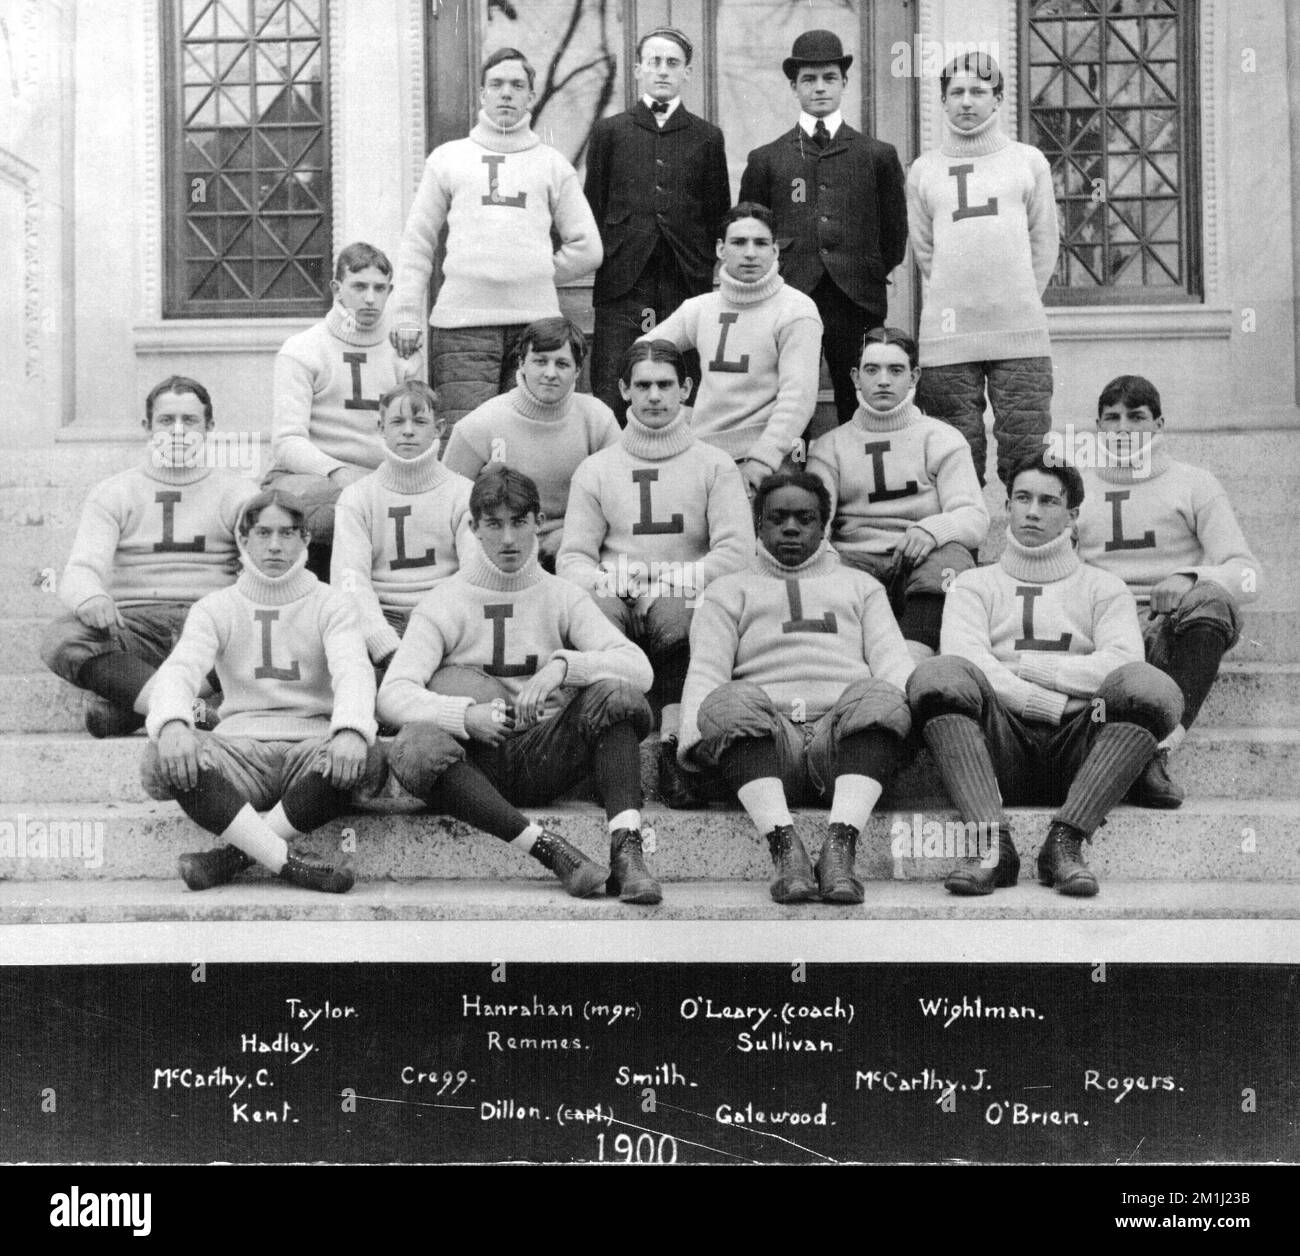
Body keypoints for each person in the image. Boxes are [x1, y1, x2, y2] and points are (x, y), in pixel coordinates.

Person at [906, 452, 1184, 898]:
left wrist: (1035, 669)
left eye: (1049, 502)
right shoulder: (973, 585)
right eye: (1022, 498)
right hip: (1000, 746)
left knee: (1149, 686)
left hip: (1081, 748)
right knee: (938, 675)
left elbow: (1121, 661)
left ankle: (1065, 843)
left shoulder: (1103, 587)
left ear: (1072, 515)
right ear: (1007, 506)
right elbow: (967, 659)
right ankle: (992, 846)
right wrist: (1048, 701)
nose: (1033, 511)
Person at [378, 467, 661, 904]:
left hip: (546, 752)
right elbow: (392, 693)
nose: (508, 539)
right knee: (413, 745)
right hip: (473, 764)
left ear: (539, 522)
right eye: (494, 524)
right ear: (473, 529)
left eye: (519, 522)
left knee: (617, 696)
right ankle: (550, 849)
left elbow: (640, 670)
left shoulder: (562, 594)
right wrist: (462, 716)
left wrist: (565, 667)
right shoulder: (444, 600)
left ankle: (627, 853)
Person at [677, 470, 914, 905]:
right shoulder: (727, 590)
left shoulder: (862, 587)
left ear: (823, 525)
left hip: (841, 742)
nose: (790, 528)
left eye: (804, 518)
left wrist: (901, 724)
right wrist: (695, 744)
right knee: (727, 701)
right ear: (759, 525)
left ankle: (839, 851)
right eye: (777, 518)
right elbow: (706, 674)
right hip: (769, 745)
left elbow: (893, 664)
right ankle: (786, 850)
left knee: (882, 695)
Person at [140, 490, 386, 894]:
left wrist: (352, 730)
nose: (275, 545)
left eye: (288, 533)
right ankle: (287, 863)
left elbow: (354, 671)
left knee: (370, 758)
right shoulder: (216, 607)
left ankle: (232, 858)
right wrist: (171, 724)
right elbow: (180, 670)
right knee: (159, 759)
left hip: (310, 750)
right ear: (243, 539)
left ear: (306, 540)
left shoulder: (332, 604)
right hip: (239, 753)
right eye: (263, 532)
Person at [558, 340, 754, 806]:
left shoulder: (715, 464)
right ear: (624, 390)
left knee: (679, 616)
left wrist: (668, 584)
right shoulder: (597, 468)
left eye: (665, 385)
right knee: (592, 616)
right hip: (617, 594)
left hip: (682, 594)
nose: (654, 397)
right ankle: (604, 754)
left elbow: (736, 552)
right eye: (642, 385)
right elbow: (572, 560)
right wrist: (610, 582)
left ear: (686, 389)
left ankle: (678, 752)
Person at [389, 47, 601, 447]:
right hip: (461, 330)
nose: (506, 93)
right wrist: (405, 316)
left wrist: (533, 273)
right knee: (463, 442)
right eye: (497, 84)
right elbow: (417, 243)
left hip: (534, 328)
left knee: (526, 444)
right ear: (482, 95)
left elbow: (588, 247)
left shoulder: (552, 164)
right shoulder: (448, 159)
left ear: (531, 96)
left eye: (517, 85)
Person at [1075, 374, 1261, 808]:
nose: (1123, 429)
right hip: (1103, 629)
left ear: (1159, 424)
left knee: (1213, 599)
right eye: (1112, 418)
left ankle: (1160, 750)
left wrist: (1189, 578)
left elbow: (1248, 573)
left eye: (1137, 418)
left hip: (1168, 627)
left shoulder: (1194, 482)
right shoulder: (1076, 485)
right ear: (1098, 426)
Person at [40, 376, 255, 738]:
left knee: (265, 628)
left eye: (190, 421)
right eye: (166, 421)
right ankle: (196, 710)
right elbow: (80, 569)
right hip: (135, 630)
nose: (178, 431)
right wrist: (91, 595)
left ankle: (133, 707)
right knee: (62, 638)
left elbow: (261, 570)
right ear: (147, 427)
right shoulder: (115, 491)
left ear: (210, 428)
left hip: (209, 626)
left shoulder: (237, 492)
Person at [739, 29, 908, 427]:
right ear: (794, 87)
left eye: (829, 78)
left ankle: (859, 484)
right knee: (787, 400)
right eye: (809, 80)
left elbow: (894, 236)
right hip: (788, 298)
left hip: (857, 301)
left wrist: (864, 270)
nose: (819, 88)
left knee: (862, 398)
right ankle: (789, 486)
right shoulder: (767, 159)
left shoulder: (877, 156)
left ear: (845, 83)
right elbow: (750, 233)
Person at [907, 53, 1060, 487]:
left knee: (1026, 445)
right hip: (949, 333)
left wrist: (1018, 298)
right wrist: (956, 297)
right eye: (956, 92)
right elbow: (926, 250)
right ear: (943, 100)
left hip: (1018, 327)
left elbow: (1044, 242)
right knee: (954, 446)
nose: (967, 102)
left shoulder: (1028, 161)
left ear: (998, 99)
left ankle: (1028, 538)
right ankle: (962, 534)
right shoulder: (924, 170)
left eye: (978, 91)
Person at [808, 327, 988, 659]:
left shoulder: (941, 438)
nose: (884, 380)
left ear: (914, 376)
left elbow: (974, 517)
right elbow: (818, 523)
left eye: (896, 370)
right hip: (857, 557)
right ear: (855, 377)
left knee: (950, 563)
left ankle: (912, 657)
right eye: (872, 370)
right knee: (827, 575)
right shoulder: (829, 447)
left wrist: (932, 530)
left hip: (921, 557)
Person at [584, 25, 730, 420]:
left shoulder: (707, 137)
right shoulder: (610, 132)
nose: (663, 71)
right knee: (613, 388)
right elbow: (592, 208)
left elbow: (720, 213)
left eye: (673, 63)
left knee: (684, 385)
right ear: (637, 70)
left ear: (687, 73)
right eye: (654, 62)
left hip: (684, 281)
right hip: (623, 282)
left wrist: (702, 265)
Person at [643, 203, 823, 495]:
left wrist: (763, 459)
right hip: (698, 450)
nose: (750, 253)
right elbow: (643, 354)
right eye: (738, 242)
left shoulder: (796, 309)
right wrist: (679, 416)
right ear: (720, 249)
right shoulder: (700, 308)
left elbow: (798, 398)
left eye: (761, 243)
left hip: (765, 455)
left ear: (775, 251)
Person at [263, 242, 407, 568]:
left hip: (377, 480)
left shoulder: (401, 351)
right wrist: (339, 472)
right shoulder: (303, 348)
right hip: (307, 477)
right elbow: (287, 442)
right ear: (336, 289)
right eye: (359, 286)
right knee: (337, 509)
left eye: (379, 288)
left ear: (390, 291)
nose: (370, 298)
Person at [442, 317, 618, 570]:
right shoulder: (482, 423)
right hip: (502, 551)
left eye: (562, 364)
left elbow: (622, 497)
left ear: (578, 371)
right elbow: (448, 503)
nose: (550, 373)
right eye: (540, 361)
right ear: (522, 363)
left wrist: (570, 536)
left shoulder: (597, 419)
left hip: (577, 548)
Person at [330, 381, 475, 669]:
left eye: (420, 421)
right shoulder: (357, 497)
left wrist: (441, 635)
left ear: (440, 429)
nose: (408, 430)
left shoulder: (464, 493)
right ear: (381, 427)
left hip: (443, 623)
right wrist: (383, 644)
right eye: (397, 421)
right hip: (382, 621)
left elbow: (473, 575)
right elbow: (350, 580)